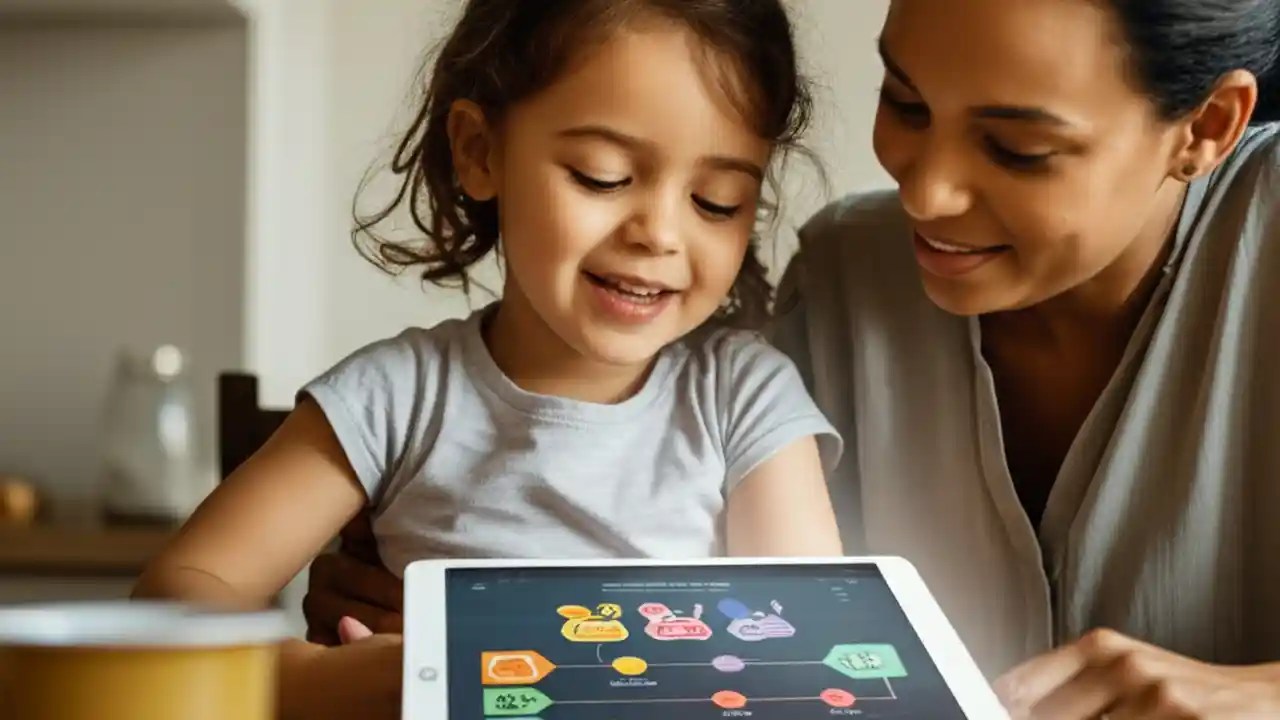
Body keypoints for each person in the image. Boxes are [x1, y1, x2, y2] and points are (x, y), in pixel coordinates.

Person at [305, 0, 1280, 717]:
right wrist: (448, 603)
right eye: (904, 101)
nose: (926, 193)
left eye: (1016, 149)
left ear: (1203, 128)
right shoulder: (848, 274)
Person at [132, 1, 845, 718]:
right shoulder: (394, 397)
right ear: (480, 151)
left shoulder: (747, 399)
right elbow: (177, 595)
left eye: (716, 201)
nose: (659, 233)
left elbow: (798, 656)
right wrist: (318, 680)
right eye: (601, 176)